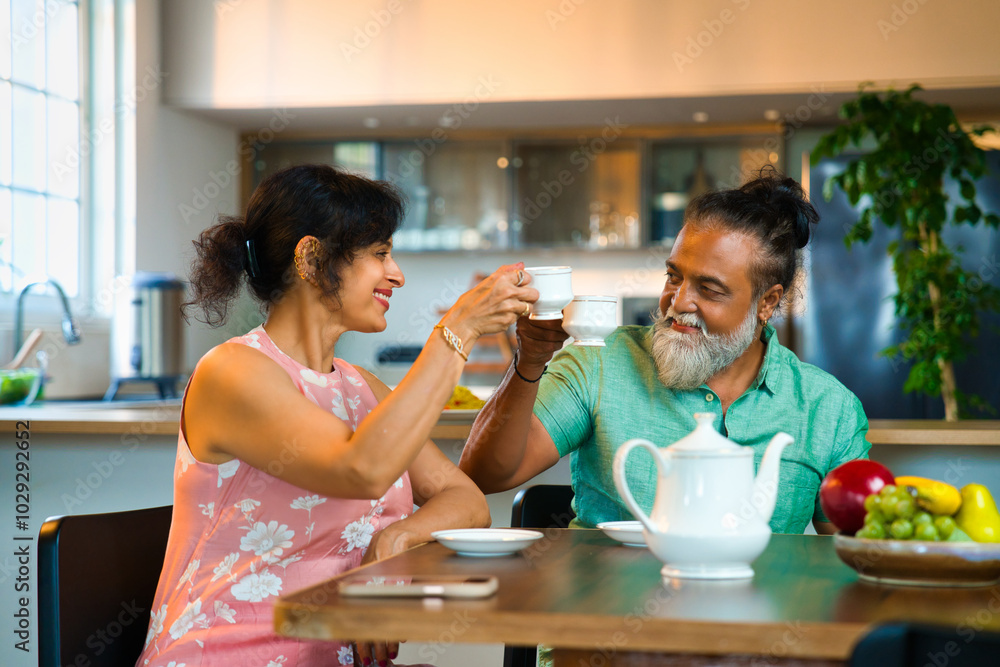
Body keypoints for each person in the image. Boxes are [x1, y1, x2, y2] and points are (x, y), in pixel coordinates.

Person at [136, 164, 539, 667]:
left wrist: (397, 538)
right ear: (311, 258)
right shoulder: (232, 372)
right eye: (380, 254)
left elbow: (466, 501)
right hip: (229, 653)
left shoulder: (361, 386)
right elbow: (361, 469)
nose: (397, 274)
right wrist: (457, 327)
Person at [460, 171, 870, 535]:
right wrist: (529, 361)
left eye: (709, 289)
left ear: (767, 302)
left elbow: (847, 559)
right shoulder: (600, 362)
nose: (677, 302)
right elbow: (486, 474)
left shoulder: (828, 409)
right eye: (673, 276)